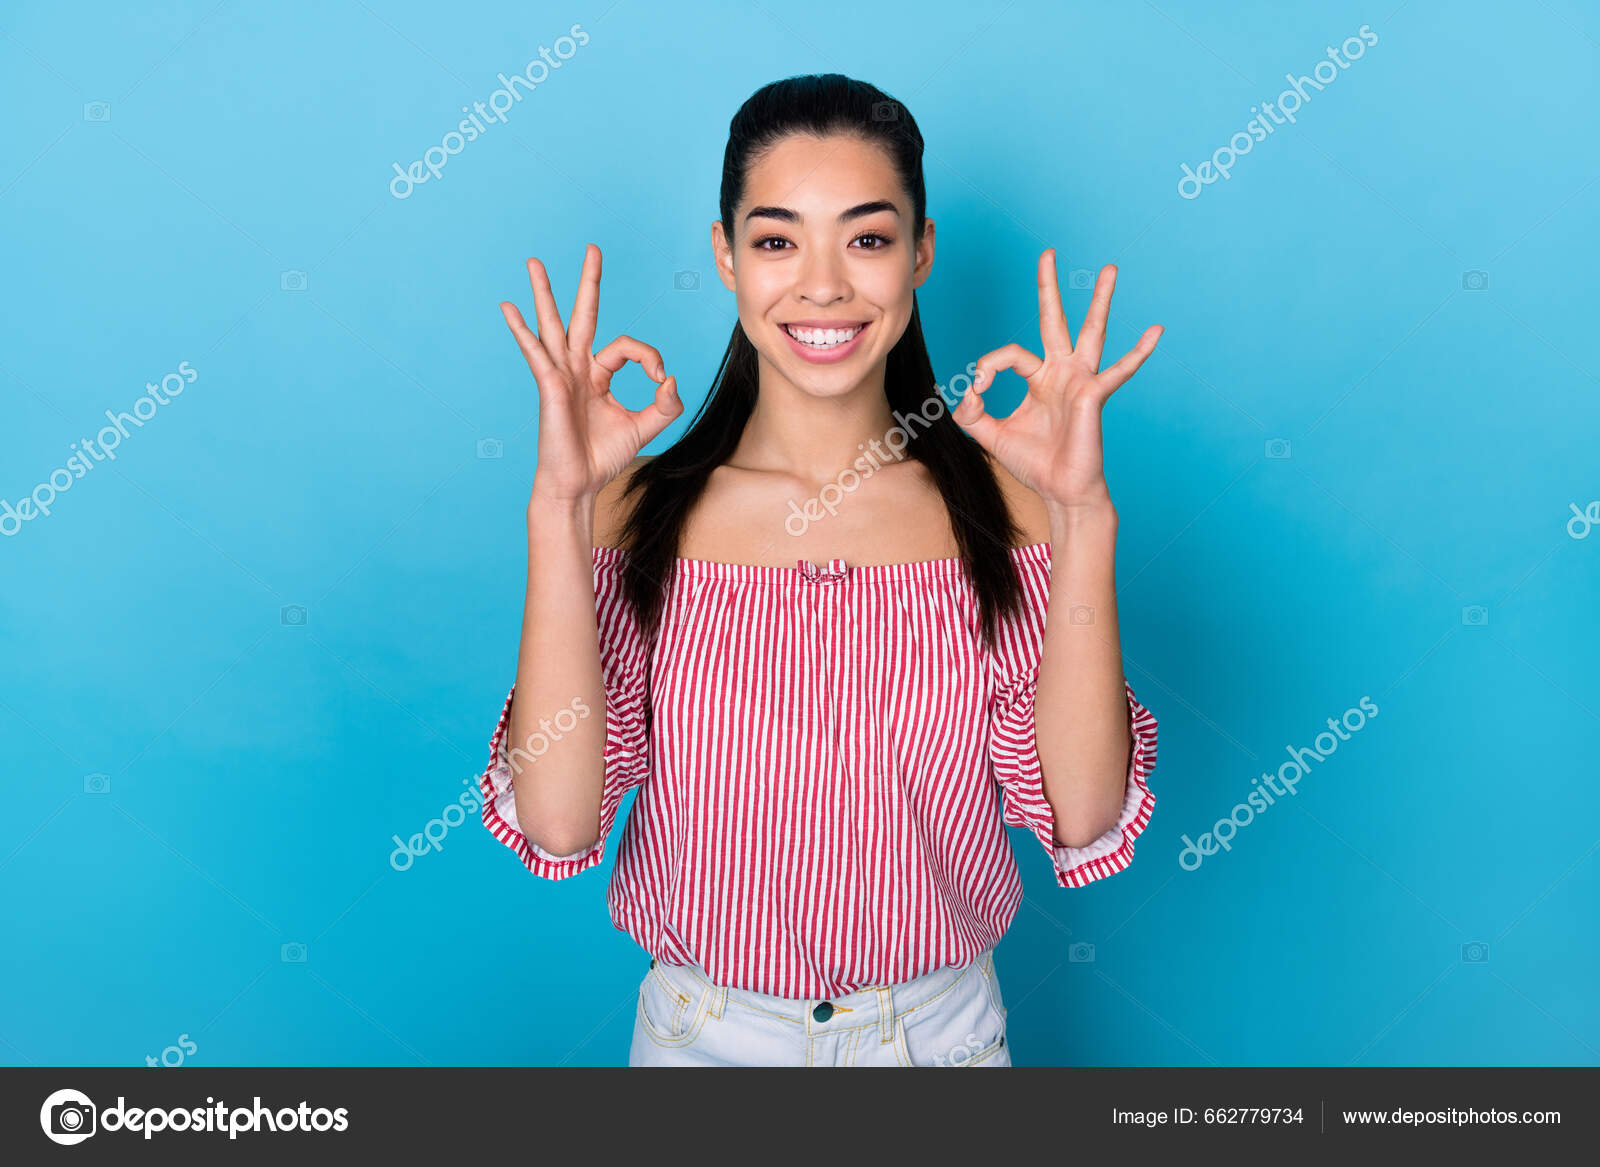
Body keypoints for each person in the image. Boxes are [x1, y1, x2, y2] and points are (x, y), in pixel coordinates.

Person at [478, 73, 1162, 1067]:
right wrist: (558, 508)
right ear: (725, 256)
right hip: (700, 1042)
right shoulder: (637, 512)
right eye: (776, 239)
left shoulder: (1002, 508)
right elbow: (557, 819)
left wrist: (1082, 516)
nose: (824, 285)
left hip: (940, 1043)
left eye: (868, 237)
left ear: (920, 251)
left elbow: (1082, 812)